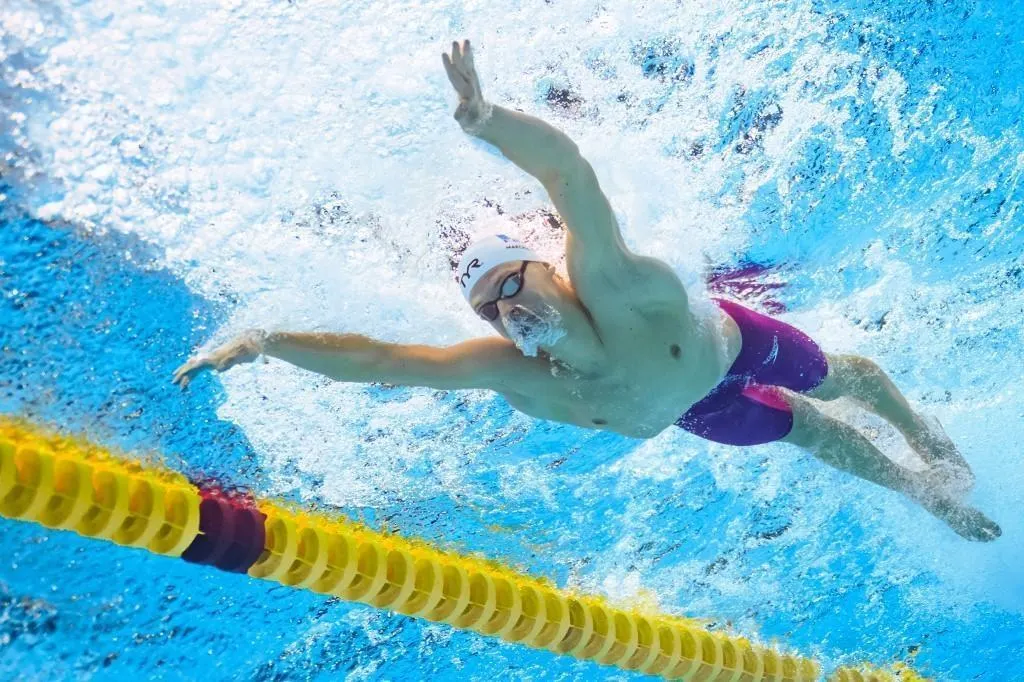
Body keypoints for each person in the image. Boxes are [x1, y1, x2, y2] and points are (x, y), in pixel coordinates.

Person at [173, 40, 1000, 542]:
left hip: (724, 345)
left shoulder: (610, 276)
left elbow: (568, 172)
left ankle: (926, 440)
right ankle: (923, 496)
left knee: (840, 380)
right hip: (695, 407)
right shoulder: (519, 372)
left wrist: (487, 120)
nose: (509, 311)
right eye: (492, 305)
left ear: (548, 269)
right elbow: (390, 357)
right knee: (810, 436)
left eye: (514, 286)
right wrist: (268, 343)